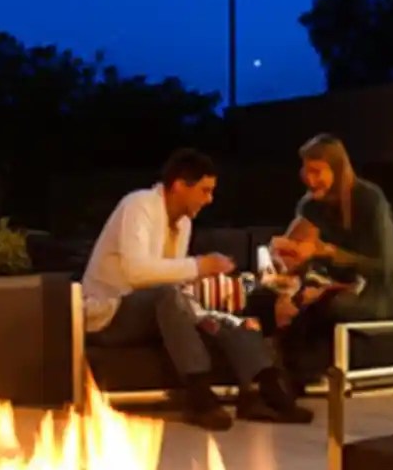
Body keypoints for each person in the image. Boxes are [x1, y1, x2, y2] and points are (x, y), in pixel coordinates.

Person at [79, 148, 312, 430]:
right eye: (204, 190)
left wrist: (204, 306)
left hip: (157, 309)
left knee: (222, 317)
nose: (209, 199)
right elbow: (136, 272)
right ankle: (199, 395)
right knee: (168, 296)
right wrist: (199, 266)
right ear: (179, 185)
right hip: (111, 311)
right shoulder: (138, 205)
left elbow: (174, 280)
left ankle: (264, 388)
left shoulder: (184, 224)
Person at [267, 134, 393, 386]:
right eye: (305, 170)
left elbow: (382, 267)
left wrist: (327, 252)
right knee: (276, 298)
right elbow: (297, 255)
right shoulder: (311, 205)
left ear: (337, 169)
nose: (309, 179)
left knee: (325, 307)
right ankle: (278, 377)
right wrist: (284, 258)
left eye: (317, 171)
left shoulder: (370, 200)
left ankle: (293, 377)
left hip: (379, 293)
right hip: (335, 286)